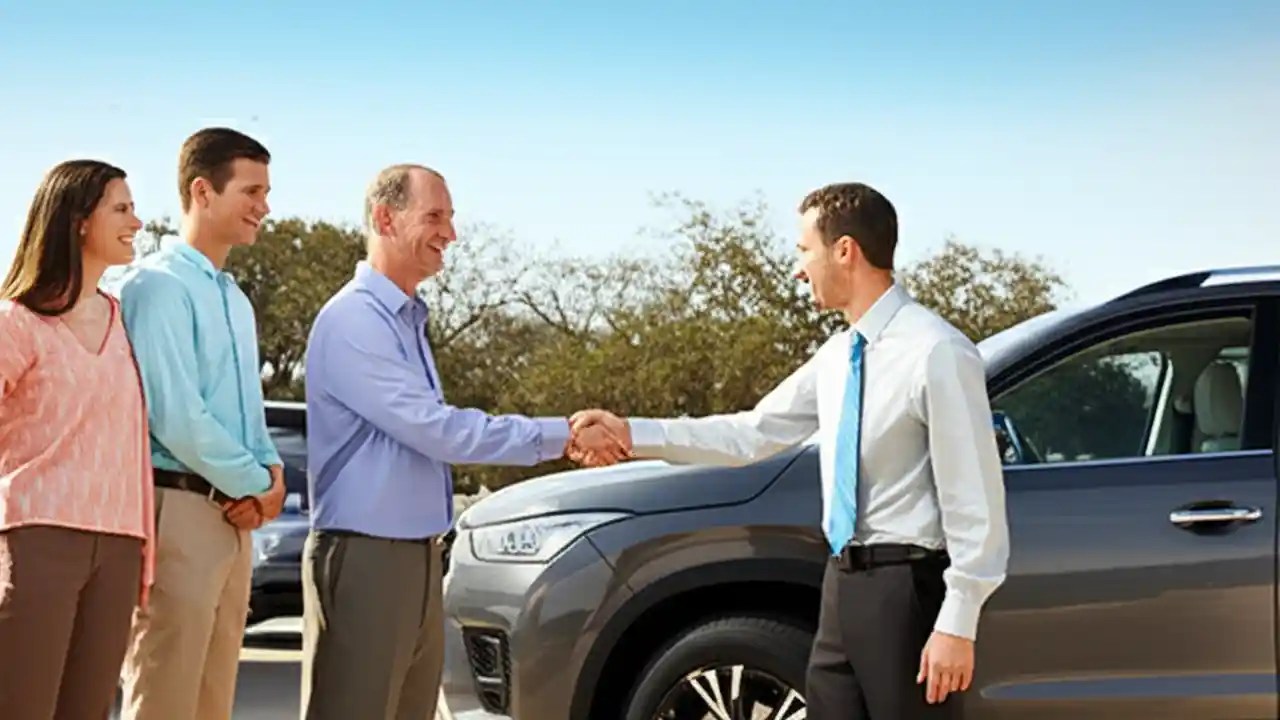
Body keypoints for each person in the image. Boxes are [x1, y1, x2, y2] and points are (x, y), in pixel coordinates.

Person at [571, 182, 1009, 719]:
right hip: (841, 585)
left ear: (845, 250)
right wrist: (630, 433)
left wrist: (956, 623)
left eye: (805, 251)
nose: (799, 269)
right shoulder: (838, 357)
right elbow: (751, 433)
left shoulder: (937, 352)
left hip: (907, 591)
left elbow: (975, 500)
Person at [300, 163, 627, 720]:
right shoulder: (355, 320)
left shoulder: (405, 320)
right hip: (367, 559)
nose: (450, 233)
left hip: (415, 557)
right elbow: (439, 430)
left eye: (450, 218)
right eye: (435, 216)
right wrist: (561, 436)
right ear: (384, 217)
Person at [116, 127, 287, 720]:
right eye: (252, 191)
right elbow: (176, 414)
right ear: (202, 191)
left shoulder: (234, 299)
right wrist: (253, 482)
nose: (264, 207)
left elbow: (247, 411)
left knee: (213, 701)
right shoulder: (156, 287)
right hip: (179, 513)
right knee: (163, 696)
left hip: (234, 520)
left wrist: (271, 479)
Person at [0, 159, 154, 720]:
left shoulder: (122, 321)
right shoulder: (15, 323)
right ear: (78, 220)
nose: (136, 221)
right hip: (38, 539)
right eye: (122, 208)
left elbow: (132, 441)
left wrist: (144, 553)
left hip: (117, 545)